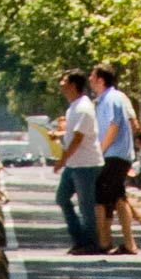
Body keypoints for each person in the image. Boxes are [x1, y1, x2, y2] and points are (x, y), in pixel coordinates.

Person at [89, 63, 140, 255]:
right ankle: (129, 243)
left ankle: (103, 242)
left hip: (113, 155)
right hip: (115, 155)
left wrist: (100, 151)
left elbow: (114, 126)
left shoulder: (113, 98)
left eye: (92, 76)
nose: (90, 80)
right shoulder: (103, 100)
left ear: (101, 80)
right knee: (119, 198)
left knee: (100, 198)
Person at [52, 69, 103, 256]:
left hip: (86, 165)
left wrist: (62, 160)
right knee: (62, 198)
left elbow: (78, 139)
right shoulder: (72, 107)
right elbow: (72, 134)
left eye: (64, 80)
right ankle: (79, 239)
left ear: (73, 85)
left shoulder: (83, 108)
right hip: (74, 164)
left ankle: (90, 243)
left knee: (86, 206)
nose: (61, 83)